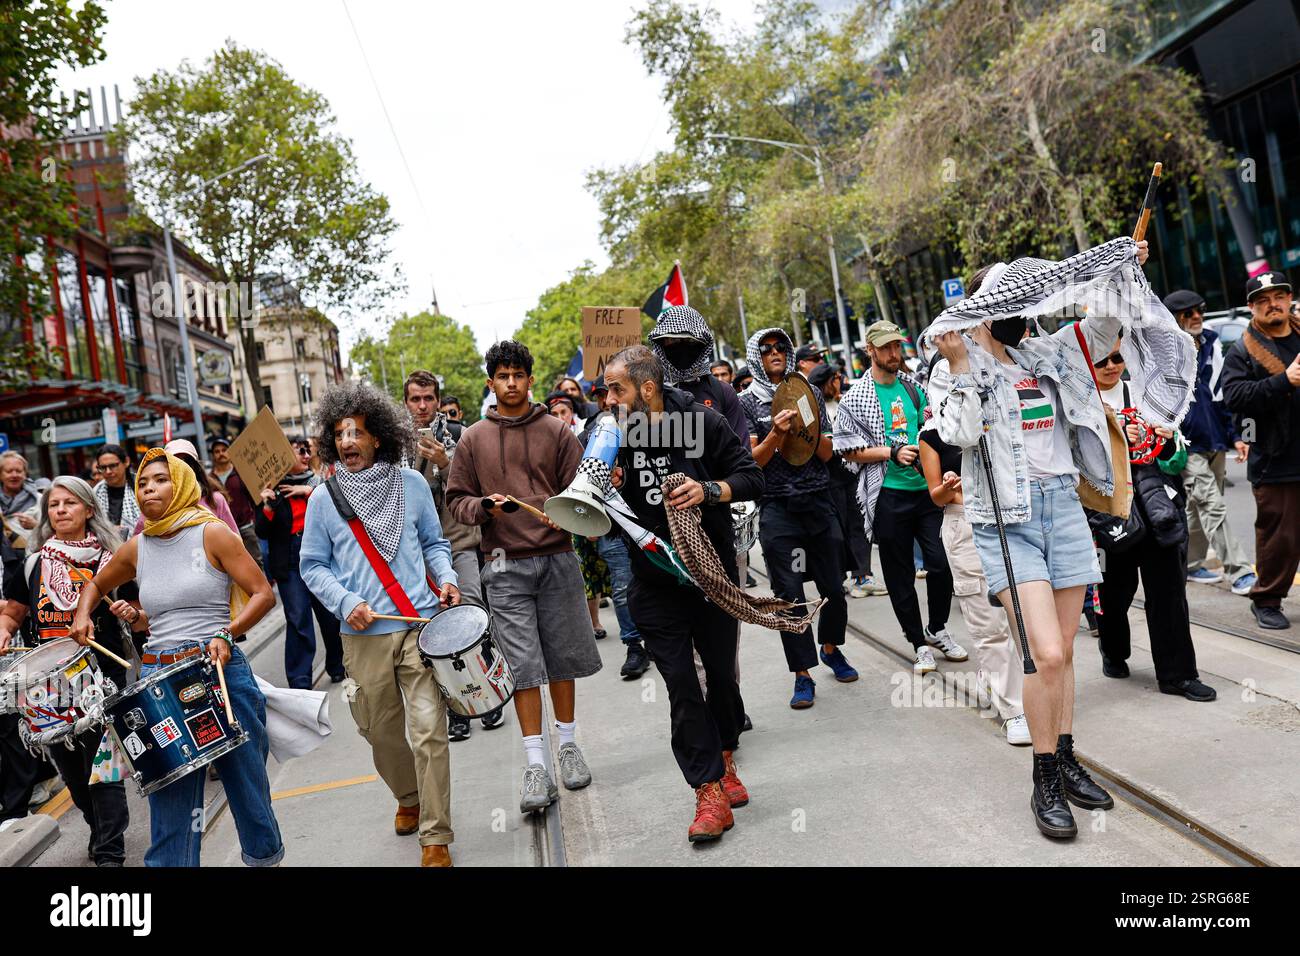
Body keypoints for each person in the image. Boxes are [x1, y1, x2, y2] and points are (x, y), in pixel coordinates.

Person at [927, 236, 1191, 839]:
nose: (1025, 316)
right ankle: (1044, 775)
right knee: (1042, 652)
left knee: (1067, 653)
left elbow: (1103, 327)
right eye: (1012, 306)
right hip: (1006, 518)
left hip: (1064, 508)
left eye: (1029, 304)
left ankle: (1066, 757)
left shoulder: (1047, 352)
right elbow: (961, 435)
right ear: (988, 310)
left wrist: (1123, 269)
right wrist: (964, 366)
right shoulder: (954, 367)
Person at [68, 448, 283, 867]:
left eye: (161, 480)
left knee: (247, 787)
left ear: (183, 484)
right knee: (168, 795)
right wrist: (83, 616)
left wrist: (227, 632)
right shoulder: (137, 547)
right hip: (158, 680)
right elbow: (96, 584)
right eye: (143, 483)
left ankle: (265, 859)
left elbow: (263, 594)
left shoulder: (213, 533)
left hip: (217, 669)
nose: (150, 488)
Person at [603, 345, 763, 841]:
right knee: (681, 686)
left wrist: (709, 490)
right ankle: (708, 791)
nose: (607, 399)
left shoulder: (703, 424)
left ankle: (726, 755)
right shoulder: (610, 435)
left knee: (721, 678)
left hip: (710, 574)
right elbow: (589, 507)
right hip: (652, 583)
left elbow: (753, 477)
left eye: (616, 389)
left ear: (646, 389)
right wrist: (600, 492)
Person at [300, 383, 460, 867]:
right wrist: (345, 601)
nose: (348, 441)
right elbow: (312, 566)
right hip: (361, 638)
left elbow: (435, 544)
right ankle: (408, 795)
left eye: (358, 433)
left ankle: (436, 835)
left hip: (418, 625)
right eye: (340, 434)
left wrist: (446, 578)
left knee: (430, 729)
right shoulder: (322, 499)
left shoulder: (411, 484)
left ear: (378, 438)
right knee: (380, 733)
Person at [446, 340, 602, 814]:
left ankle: (568, 746)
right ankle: (536, 763)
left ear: (531, 380)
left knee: (562, 657)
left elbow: (583, 489)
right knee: (522, 664)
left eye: (518, 375)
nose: (511, 383)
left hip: (557, 560)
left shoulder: (557, 431)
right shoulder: (472, 438)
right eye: (502, 376)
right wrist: (483, 507)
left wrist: (568, 514)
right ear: (490, 382)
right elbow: (456, 500)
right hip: (502, 565)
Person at [0, 476, 132, 865]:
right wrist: (4, 630)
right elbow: (15, 610)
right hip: (48, 682)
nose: (60, 510)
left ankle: (111, 849)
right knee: (72, 771)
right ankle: (97, 826)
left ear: (89, 510)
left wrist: (132, 613)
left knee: (102, 762)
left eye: (69, 503)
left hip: (102, 673)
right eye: (53, 505)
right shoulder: (32, 563)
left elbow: (139, 612)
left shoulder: (116, 558)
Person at [1087, 338, 1215, 701]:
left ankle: (1178, 675)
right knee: (1114, 592)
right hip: (1109, 511)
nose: (1112, 366)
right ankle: (1112, 649)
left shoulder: (1144, 394)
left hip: (1157, 505)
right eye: (1102, 361)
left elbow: (1176, 457)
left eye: (1117, 358)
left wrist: (1166, 441)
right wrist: (1115, 442)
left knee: (1168, 592)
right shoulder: (1078, 401)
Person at [835, 321, 965, 673]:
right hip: (888, 495)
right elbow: (847, 450)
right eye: (886, 347)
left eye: (897, 346)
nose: (894, 353)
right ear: (871, 351)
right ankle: (917, 642)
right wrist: (890, 453)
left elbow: (934, 425)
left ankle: (937, 628)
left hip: (927, 490)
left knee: (940, 562)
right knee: (899, 574)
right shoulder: (856, 397)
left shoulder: (913, 388)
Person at [739, 327, 855, 709]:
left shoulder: (810, 394)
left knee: (834, 588)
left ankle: (830, 647)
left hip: (818, 501)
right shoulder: (745, 403)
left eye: (781, 347)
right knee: (789, 596)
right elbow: (751, 462)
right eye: (766, 348)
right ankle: (802, 675)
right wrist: (776, 433)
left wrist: (809, 429)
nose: (775, 352)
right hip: (777, 508)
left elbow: (826, 454)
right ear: (756, 355)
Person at [402, 369, 499, 741]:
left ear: (438, 400)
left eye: (429, 399)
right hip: (415, 552)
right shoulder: (393, 443)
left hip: (458, 543)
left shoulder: (460, 435)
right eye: (415, 399)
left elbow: (472, 489)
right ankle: (457, 710)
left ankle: (487, 697)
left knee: (471, 617)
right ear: (406, 401)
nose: (423, 406)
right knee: (433, 633)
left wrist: (445, 463)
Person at [919, 427, 1031, 742]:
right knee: (989, 625)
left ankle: (992, 677)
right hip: (965, 526)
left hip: (1011, 520)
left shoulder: (997, 422)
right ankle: (1014, 711)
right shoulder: (932, 437)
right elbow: (937, 496)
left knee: (1018, 620)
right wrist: (949, 487)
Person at [1162, 290, 1255, 595]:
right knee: (1211, 505)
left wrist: (1237, 436)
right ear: (1174, 319)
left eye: (1199, 310)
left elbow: (1221, 395)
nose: (1196, 317)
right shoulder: (1164, 350)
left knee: (1199, 506)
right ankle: (1240, 571)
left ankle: (1190, 563)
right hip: (1184, 444)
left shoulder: (1212, 344)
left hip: (1213, 438)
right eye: (1188, 314)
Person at [1221, 271, 1300, 630]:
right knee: (1279, 536)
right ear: (1251, 307)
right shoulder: (1243, 351)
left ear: (1289, 299)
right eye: (1263, 300)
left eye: (1278, 297)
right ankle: (1266, 599)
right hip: (1275, 459)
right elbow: (1235, 396)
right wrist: (1284, 380)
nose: (1273, 305)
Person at [255, 439, 345, 688]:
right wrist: (268, 506)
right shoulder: (270, 488)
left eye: (308, 451)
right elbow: (260, 531)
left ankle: (338, 665)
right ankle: (300, 678)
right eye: (300, 451)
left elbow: (338, 510)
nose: (306, 455)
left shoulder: (318, 483)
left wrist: (310, 492)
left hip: (319, 553)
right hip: (289, 561)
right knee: (298, 618)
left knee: (330, 614)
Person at [579, 393, 650, 680]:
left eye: (618, 391)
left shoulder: (654, 427)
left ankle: (657, 638)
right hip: (612, 526)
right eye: (603, 394)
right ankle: (634, 646)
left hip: (649, 523)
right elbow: (582, 479)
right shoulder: (592, 435)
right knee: (622, 589)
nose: (610, 399)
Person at [810, 362, 887, 600]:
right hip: (827, 476)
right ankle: (837, 578)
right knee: (836, 529)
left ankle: (862, 575)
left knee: (859, 523)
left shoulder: (845, 402)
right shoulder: (816, 407)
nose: (840, 381)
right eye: (835, 378)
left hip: (851, 473)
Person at [649, 305, 750, 443]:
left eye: (690, 341)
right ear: (662, 343)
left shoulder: (724, 392)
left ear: (703, 344)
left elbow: (741, 452)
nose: (681, 347)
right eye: (673, 340)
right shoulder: (650, 393)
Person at [208, 436, 265, 571]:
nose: (221, 453)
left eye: (224, 450)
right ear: (213, 455)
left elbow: (254, 498)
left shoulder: (242, 474)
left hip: (246, 528)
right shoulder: (209, 479)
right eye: (217, 451)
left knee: (256, 564)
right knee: (233, 568)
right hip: (224, 532)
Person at [91, 444, 139, 538]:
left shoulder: (141, 485)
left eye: (113, 466)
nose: (108, 471)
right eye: (103, 468)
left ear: (126, 462)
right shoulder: (95, 493)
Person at [0, 452, 41, 553]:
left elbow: (55, 531)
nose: (14, 475)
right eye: (9, 471)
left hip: (33, 559)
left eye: (19, 471)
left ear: (25, 474)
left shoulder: (39, 499)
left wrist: (35, 525)